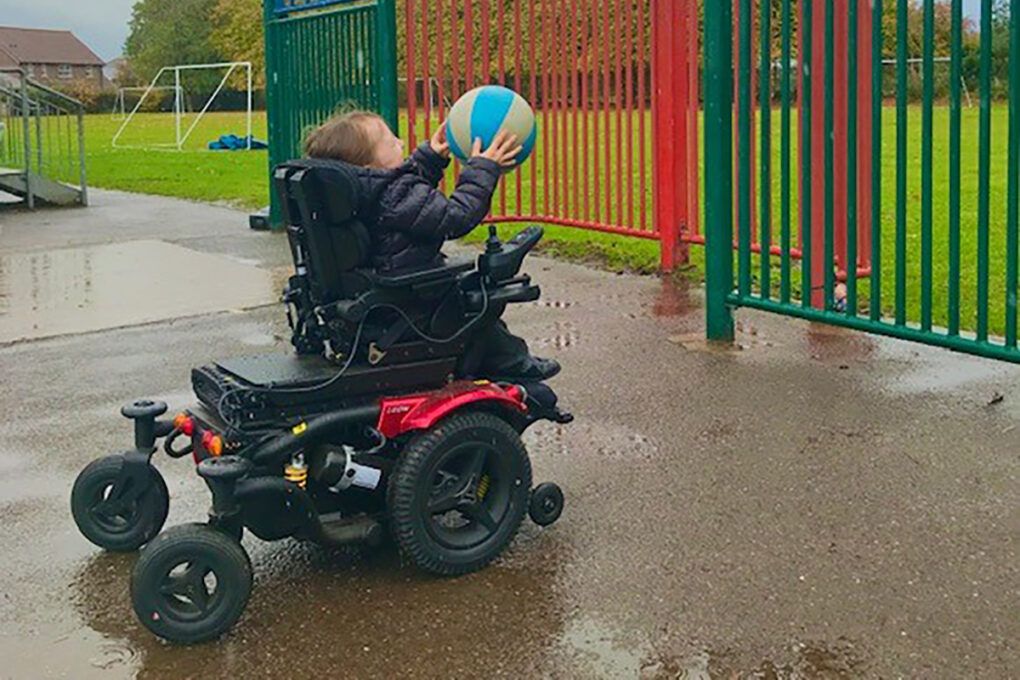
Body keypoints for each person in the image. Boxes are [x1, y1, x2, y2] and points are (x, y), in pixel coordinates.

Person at [302, 110, 559, 383]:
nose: (400, 142)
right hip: (413, 301)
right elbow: (454, 217)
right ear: (369, 166)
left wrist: (431, 158)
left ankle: (494, 360)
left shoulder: (360, 191)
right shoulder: (393, 194)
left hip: (379, 298)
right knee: (478, 301)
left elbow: (410, 198)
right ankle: (513, 362)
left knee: (466, 293)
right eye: (391, 142)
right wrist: (482, 168)